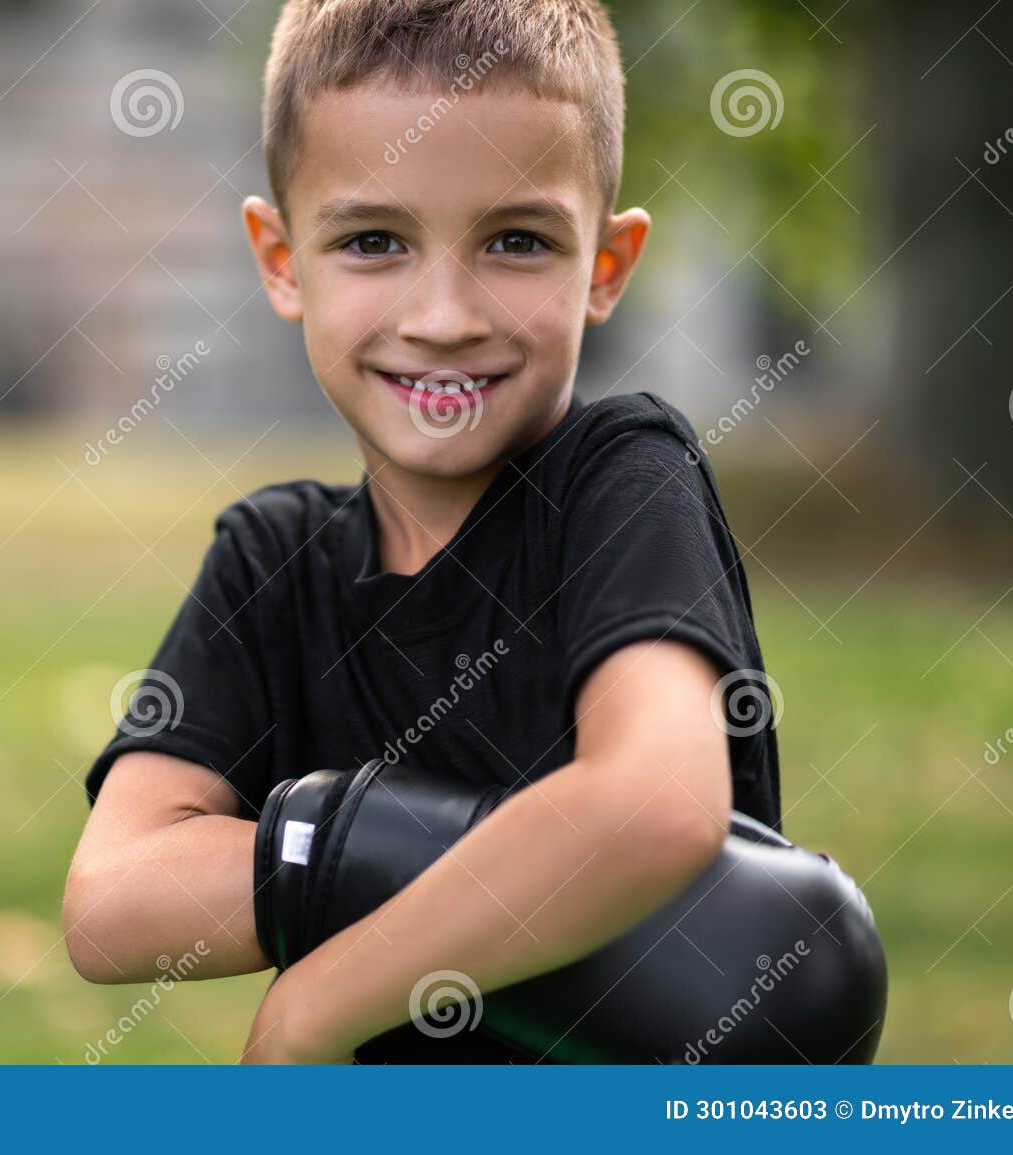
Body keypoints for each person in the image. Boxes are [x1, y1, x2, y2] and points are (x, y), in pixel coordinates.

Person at [64, 0, 782, 1064]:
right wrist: (386, 848)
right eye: (372, 242)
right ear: (278, 258)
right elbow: (112, 904)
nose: (443, 315)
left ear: (605, 266)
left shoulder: (620, 480)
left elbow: (658, 804)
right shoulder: (275, 562)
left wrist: (321, 999)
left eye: (517, 241)